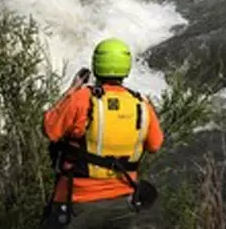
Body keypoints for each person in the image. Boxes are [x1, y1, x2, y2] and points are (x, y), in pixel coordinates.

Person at [41, 38, 164, 229]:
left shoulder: (81, 98)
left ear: (96, 64)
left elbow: (50, 129)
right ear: (127, 68)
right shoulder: (142, 104)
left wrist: (71, 90)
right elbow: (155, 145)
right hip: (123, 201)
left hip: (76, 201)